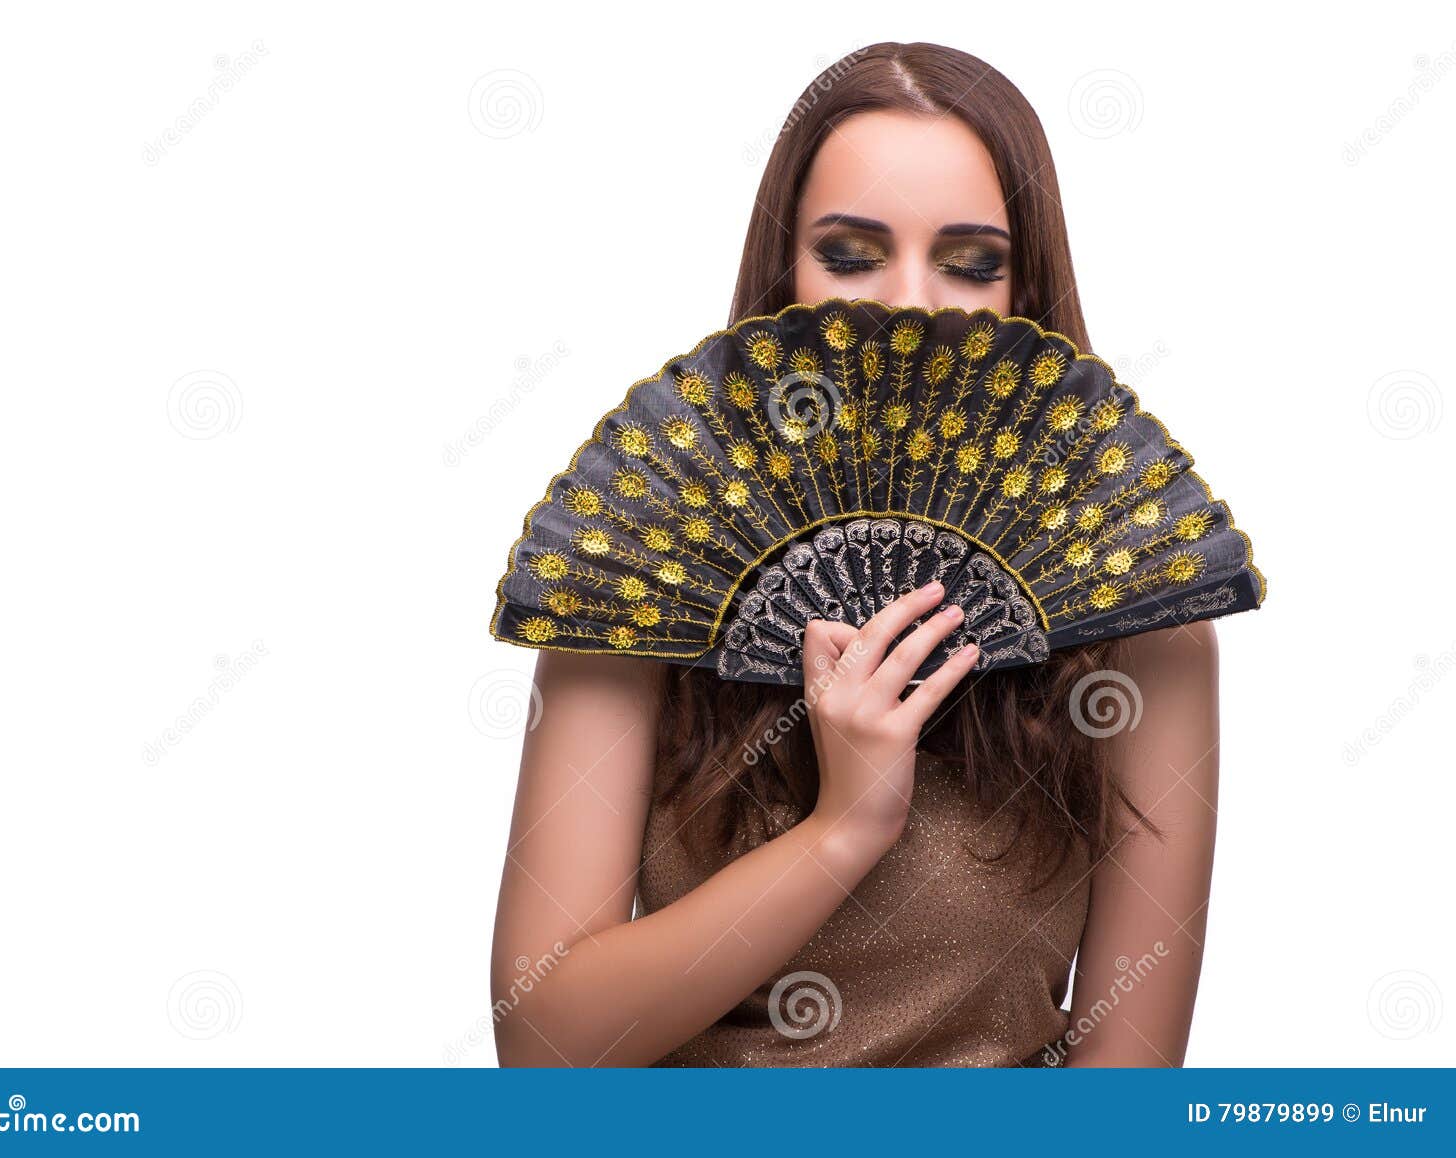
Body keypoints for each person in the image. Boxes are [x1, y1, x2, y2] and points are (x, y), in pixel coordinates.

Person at [491, 41, 1218, 1067]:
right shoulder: (637, 583)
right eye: (850, 252)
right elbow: (541, 1044)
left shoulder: (1140, 623)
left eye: (969, 263)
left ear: (1026, 295)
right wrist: (842, 829)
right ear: (785, 273)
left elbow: (1127, 1093)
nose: (910, 304)